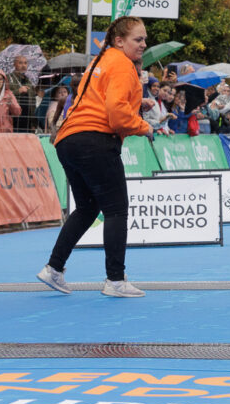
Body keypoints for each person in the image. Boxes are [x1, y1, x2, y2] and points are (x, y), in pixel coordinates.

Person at [37, 15, 152, 298]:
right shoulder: (124, 65)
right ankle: (115, 280)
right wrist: (144, 126)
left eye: (145, 39)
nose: (144, 45)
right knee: (116, 210)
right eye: (138, 39)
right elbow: (115, 114)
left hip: (69, 140)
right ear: (119, 40)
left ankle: (54, 268)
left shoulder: (101, 61)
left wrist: (139, 105)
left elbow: (98, 101)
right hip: (95, 141)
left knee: (88, 208)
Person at [7, 55, 36, 132]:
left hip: (27, 121)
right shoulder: (8, 78)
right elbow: (4, 96)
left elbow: (33, 103)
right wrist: (18, 91)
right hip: (14, 119)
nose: (23, 65)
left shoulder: (29, 81)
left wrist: (33, 123)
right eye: (20, 63)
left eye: (25, 63)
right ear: (14, 64)